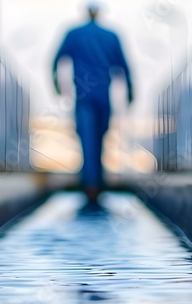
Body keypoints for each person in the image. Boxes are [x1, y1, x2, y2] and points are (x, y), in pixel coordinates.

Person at [53, 1, 133, 203]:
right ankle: (95, 181)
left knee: (87, 135)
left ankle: (91, 183)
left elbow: (56, 60)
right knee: (100, 135)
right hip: (102, 95)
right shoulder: (111, 36)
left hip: (83, 96)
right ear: (99, 13)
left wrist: (56, 83)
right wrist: (130, 91)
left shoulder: (73, 34)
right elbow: (124, 66)